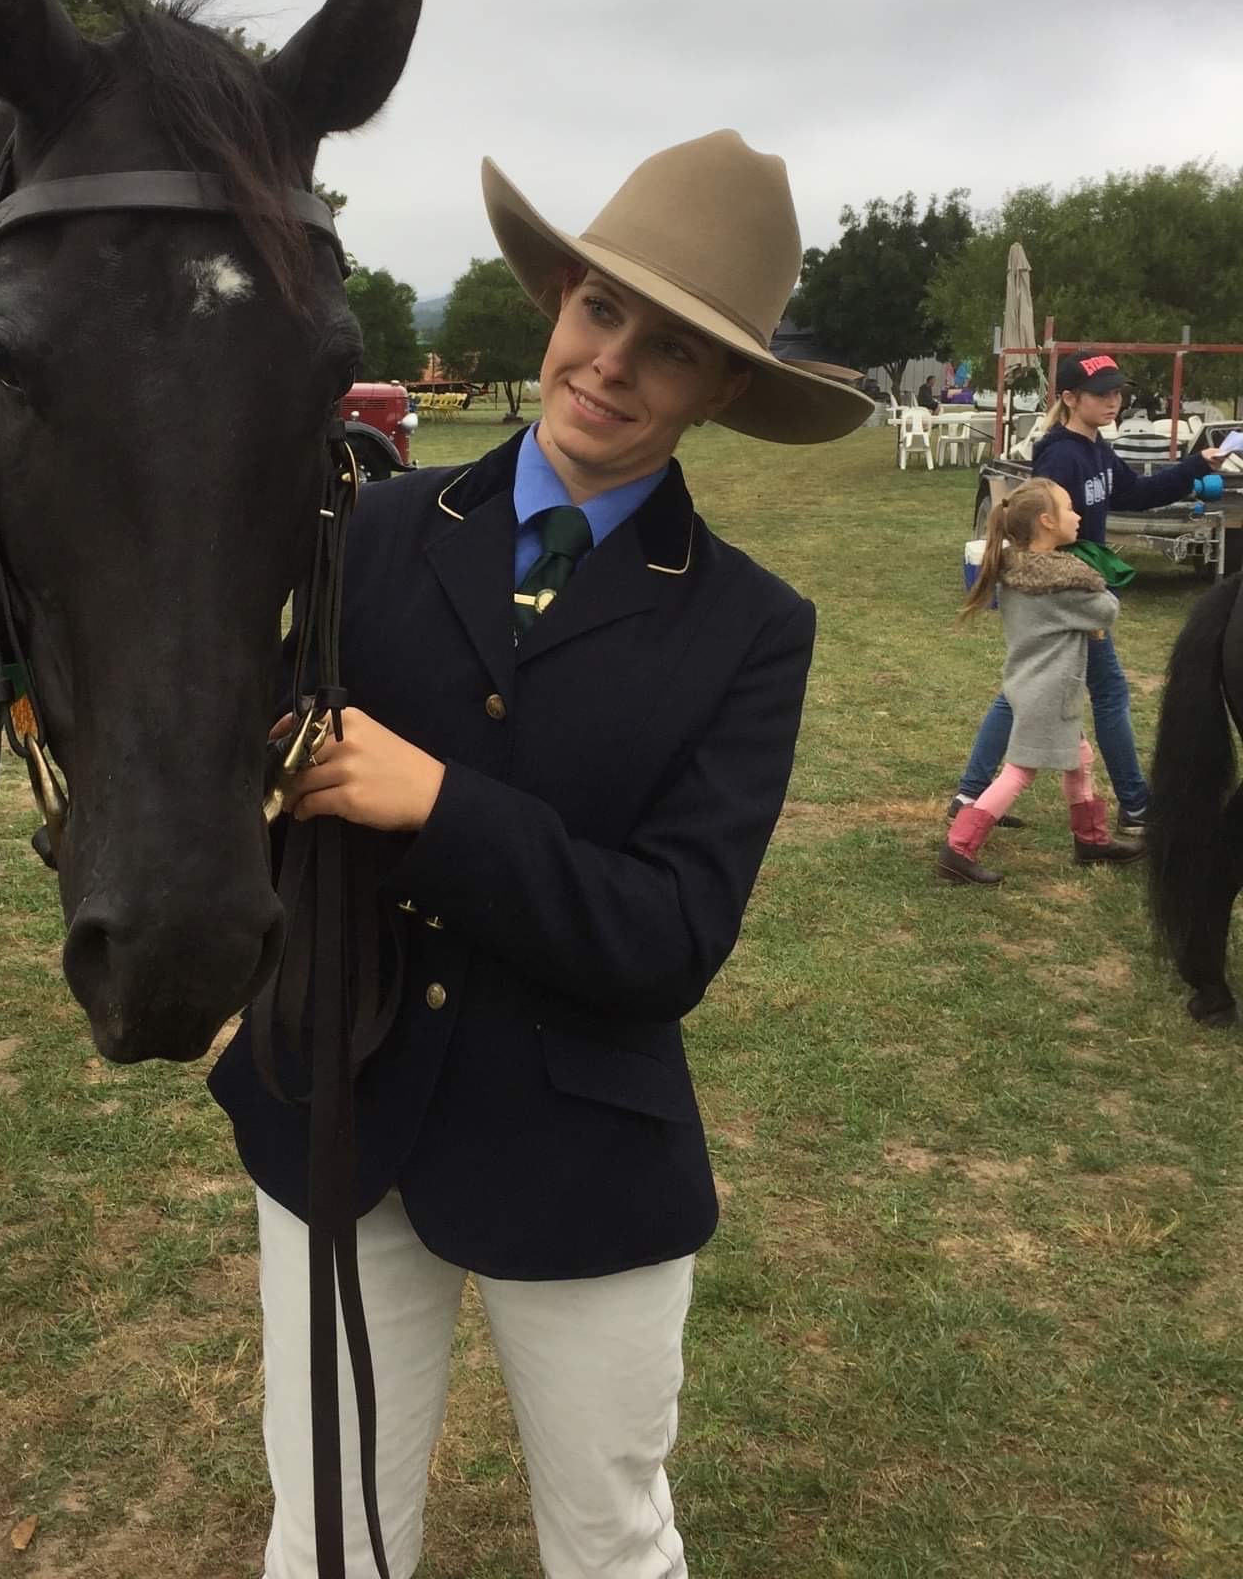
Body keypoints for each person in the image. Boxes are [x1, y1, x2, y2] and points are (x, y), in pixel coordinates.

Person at [209, 131, 874, 1578]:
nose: (613, 366)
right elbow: (244, 738)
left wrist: (440, 804)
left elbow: (669, 936)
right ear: (558, 303)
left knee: (611, 1543)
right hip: (340, 1095)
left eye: (673, 350)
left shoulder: (752, 628)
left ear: (724, 393)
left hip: (580, 1151)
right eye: (601, 311)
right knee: (326, 1541)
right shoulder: (367, 532)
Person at [948, 349, 1225, 834]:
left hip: (1073, 585)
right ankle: (1138, 807)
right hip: (1061, 588)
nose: (1114, 401)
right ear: (1070, 398)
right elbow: (1041, 529)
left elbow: (1134, 494)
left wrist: (1192, 467)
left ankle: (969, 794)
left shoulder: (1096, 447)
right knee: (1109, 692)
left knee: (1021, 692)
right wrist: (1070, 595)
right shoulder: (1062, 455)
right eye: (1102, 394)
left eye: (1118, 392)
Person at [939, 479, 1142, 885]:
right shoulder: (1061, 582)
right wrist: (1094, 595)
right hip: (1051, 690)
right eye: (1070, 509)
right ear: (1047, 522)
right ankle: (958, 849)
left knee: (1079, 758)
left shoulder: (1015, 569)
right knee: (1019, 773)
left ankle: (1091, 840)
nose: (1078, 515)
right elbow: (1106, 609)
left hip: (1033, 684)